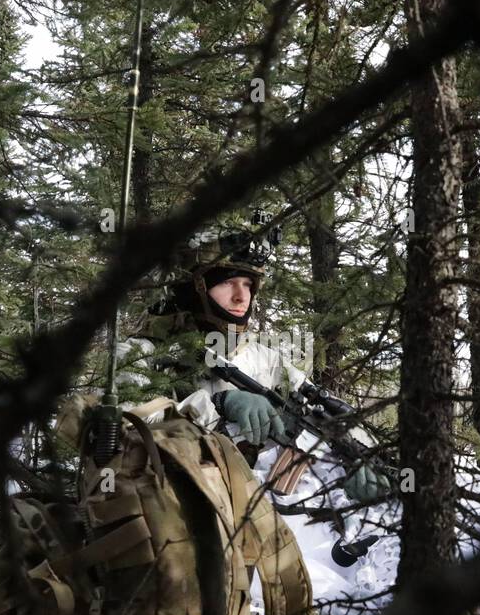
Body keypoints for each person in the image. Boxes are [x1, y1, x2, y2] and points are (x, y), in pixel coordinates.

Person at [118, 215, 388, 503]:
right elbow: (127, 429)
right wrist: (217, 405)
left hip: (255, 511)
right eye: (228, 282)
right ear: (194, 288)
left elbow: (322, 407)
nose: (241, 296)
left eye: (248, 284)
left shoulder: (264, 358)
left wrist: (357, 454)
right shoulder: (138, 354)